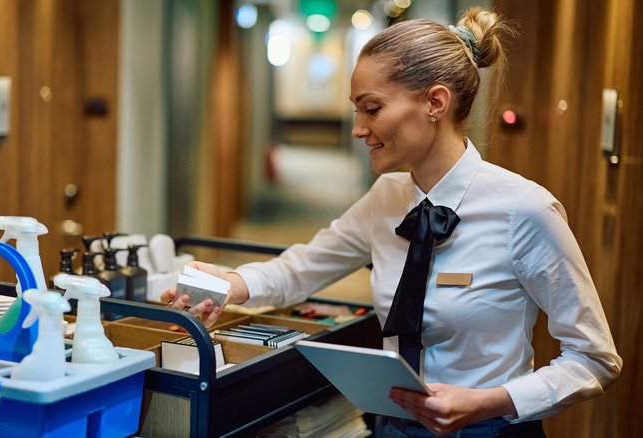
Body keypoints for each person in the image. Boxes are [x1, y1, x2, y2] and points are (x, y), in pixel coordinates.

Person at [161, 7, 621, 437]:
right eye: (356, 109)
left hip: (489, 430)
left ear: (435, 102)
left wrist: (487, 402)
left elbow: (594, 358)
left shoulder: (525, 209)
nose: (358, 127)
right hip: (392, 424)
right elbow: (301, 268)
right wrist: (228, 283)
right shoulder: (386, 197)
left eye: (372, 108)